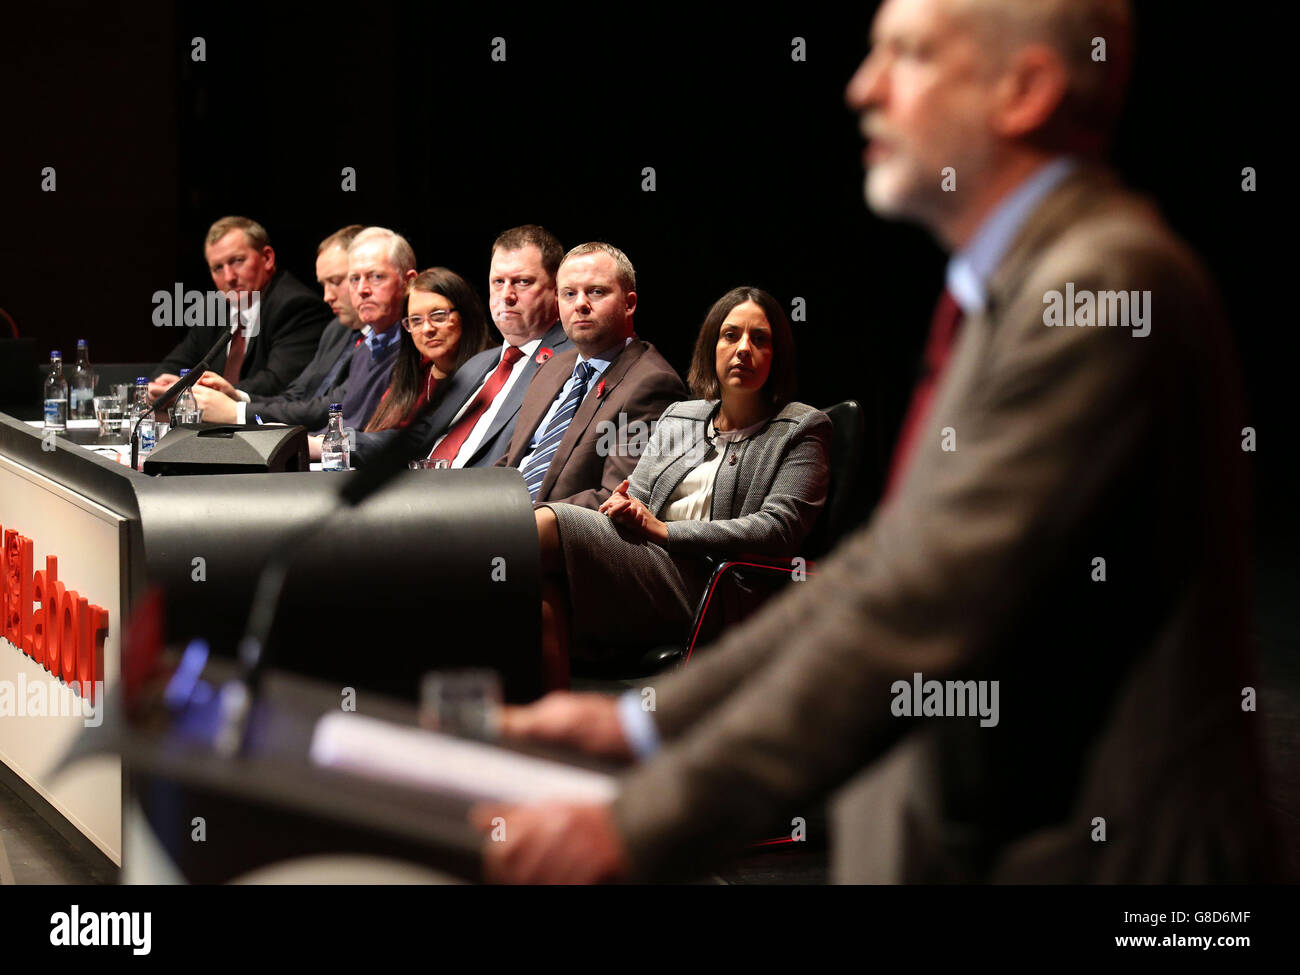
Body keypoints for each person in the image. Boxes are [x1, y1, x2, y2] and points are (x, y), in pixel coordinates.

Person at [474, 0, 1273, 884]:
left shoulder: (1101, 287)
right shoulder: (1011, 286)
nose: (863, 86)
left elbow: (919, 606)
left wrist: (635, 821)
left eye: (909, 54)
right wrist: (636, 723)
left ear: (1026, 89)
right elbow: (883, 566)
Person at [533, 286, 830, 689]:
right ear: (712, 347)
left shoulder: (802, 428)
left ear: (777, 356)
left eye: (759, 339)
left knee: (546, 524)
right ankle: (551, 725)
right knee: (538, 583)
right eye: (731, 335)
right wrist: (625, 506)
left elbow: (778, 530)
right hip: (645, 567)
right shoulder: (681, 417)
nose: (743, 348)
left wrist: (664, 531)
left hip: (715, 586)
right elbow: (636, 496)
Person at [349, 225, 570, 468]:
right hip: (417, 488)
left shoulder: (570, 360)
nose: (506, 295)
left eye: (522, 282)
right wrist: (334, 444)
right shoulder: (478, 365)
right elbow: (414, 440)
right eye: (498, 281)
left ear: (556, 288)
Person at [496, 242, 686, 508]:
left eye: (596, 292)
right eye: (569, 294)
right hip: (499, 519)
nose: (580, 304)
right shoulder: (551, 368)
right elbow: (509, 462)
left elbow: (614, 497)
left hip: (555, 538)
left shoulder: (652, 384)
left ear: (629, 304)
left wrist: (521, 517)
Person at [189, 225, 366, 425]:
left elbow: (334, 406)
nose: (327, 297)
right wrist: (238, 396)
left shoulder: (382, 338)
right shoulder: (337, 330)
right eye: (324, 284)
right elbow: (297, 395)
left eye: (336, 281)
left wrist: (237, 412)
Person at [151, 216, 330, 400]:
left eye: (237, 261)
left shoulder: (295, 305)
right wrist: (165, 385)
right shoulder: (213, 308)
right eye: (218, 268)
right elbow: (170, 368)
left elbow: (278, 382)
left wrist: (198, 393)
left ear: (267, 258)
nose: (229, 277)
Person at [307, 226, 416, 459]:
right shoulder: (365, 347)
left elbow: (393, 440)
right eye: (354, 279)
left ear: (408, 282)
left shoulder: (419, 349)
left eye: (376, 277)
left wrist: (317, 445)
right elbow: (349, 422)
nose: (362, 290)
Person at [363, 267, 493, 432]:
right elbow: (374, 439)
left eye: (439, 316)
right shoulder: (412, 378)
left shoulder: (495, 373)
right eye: (416, 320)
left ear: (466, 315)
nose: (427, 329)